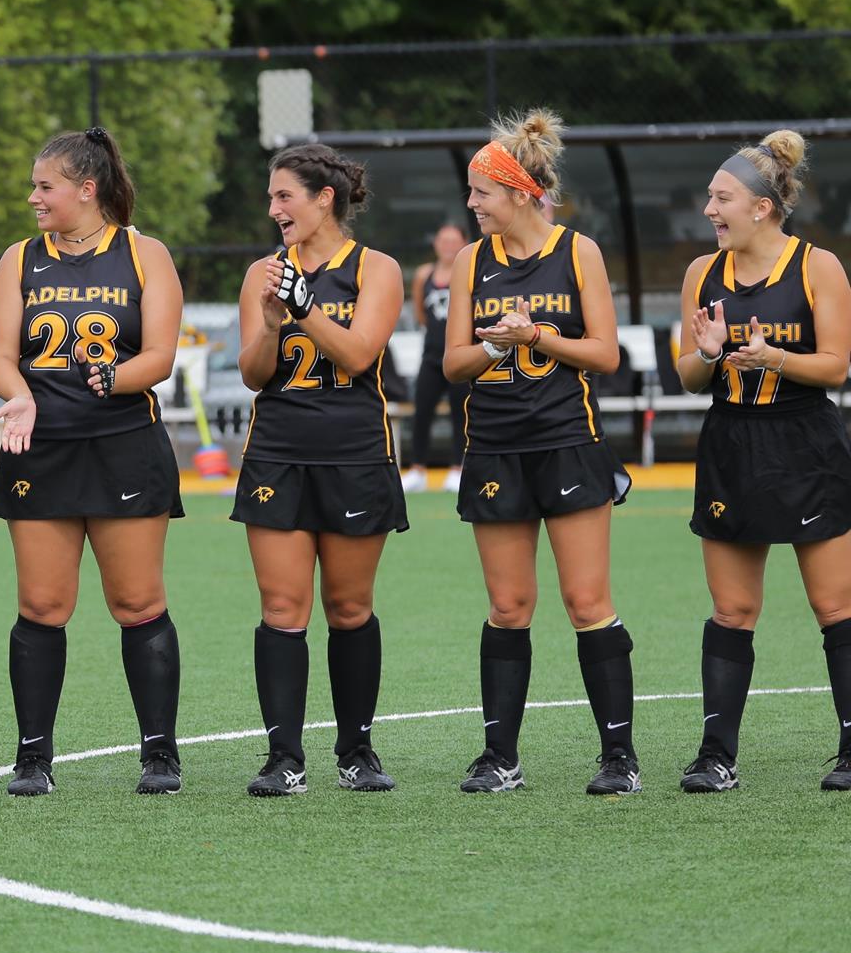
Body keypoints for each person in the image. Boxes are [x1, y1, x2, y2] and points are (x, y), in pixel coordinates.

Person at [443, 109, 640, 796]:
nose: (472, 204)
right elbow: (454, 363)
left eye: (481, 192)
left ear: (520, 192)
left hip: (566, 440)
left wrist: (537, 337)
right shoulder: (471, 261)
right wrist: (498, 343)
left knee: (587, 600)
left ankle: (619, 757)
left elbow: (605, 354)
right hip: (495, 445)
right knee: (508, 604)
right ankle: (500, 756)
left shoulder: (577, 250)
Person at [0, 127, 185, 797]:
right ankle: (33, 756)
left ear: (86, 189)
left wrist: (114, 377)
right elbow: (1, 357)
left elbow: (160, 354)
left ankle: (160, 752)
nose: (34, 197)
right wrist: (19, 398)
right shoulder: (20, 259)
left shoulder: (143, 253)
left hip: (124, 444)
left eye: (46, 186)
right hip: (38, 449)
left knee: (137, 600)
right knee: (42, 602)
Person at [673, 130, 851, 793]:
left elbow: (835, 365)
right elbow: (688, 374)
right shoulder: (702, 273)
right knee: (732, 609)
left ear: (762, 208)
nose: (709, 210)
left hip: (804, 440)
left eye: (722, 198)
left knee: (835, 604)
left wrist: (773, 356)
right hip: (732, 443)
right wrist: (714, 352)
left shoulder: (817, 266)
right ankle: (716, 754)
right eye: (710, 198)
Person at [231, 144, 406, 797]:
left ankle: (356, 750)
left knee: (349, 605)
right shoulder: (262, 275)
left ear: (323, 198)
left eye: (285, 196)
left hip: (356, 453)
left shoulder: (376, 268)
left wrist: (306, 306)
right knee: (281, 606)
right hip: (278, 451)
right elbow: (254, 373)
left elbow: (360, 354)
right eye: (272, 197)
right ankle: (284, 757)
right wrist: (275, 323)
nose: (274, 209)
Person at [401, 223, 470, 492]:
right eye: (443, 240)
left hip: (460, 353)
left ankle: (458, 467)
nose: (448, 246)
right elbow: (421, 312)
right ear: (436, 244)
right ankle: (417, 468)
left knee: (460, 412)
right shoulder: (424, 274)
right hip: (431, 355)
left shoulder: (468, 272)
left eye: (454, 241)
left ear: (464, 243)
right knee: (422, 411)